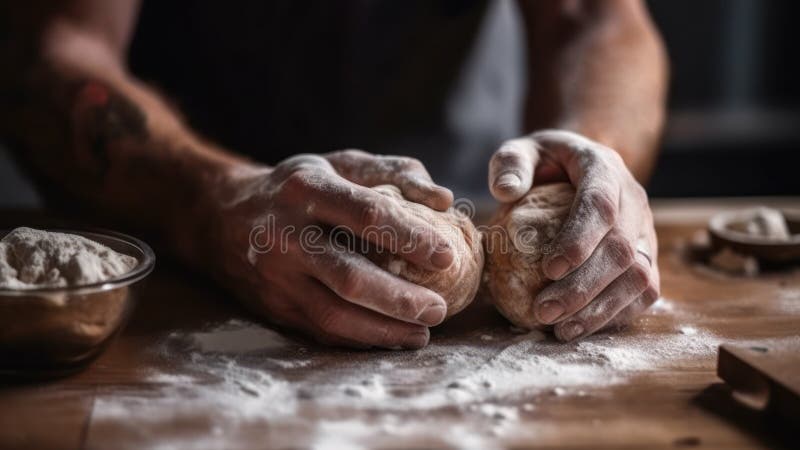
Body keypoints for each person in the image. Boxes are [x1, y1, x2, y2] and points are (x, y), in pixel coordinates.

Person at [0, 0, 667, 348]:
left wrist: (591, 151)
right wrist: (212, 202)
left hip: (472, 194)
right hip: (176, 231)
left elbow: (598, 16)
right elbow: (52, 48)